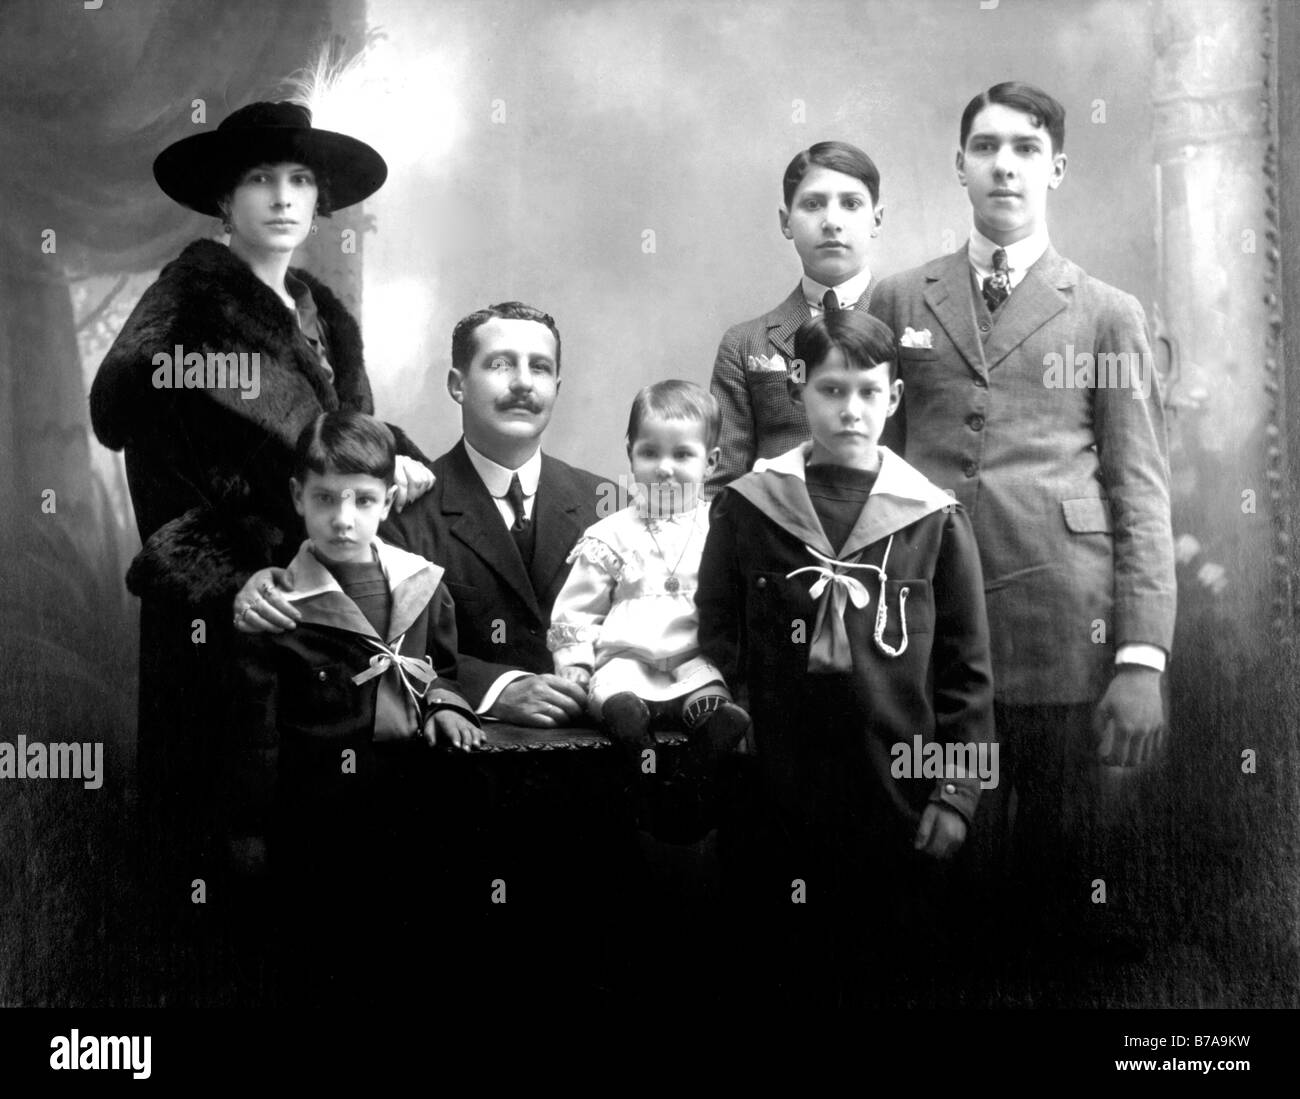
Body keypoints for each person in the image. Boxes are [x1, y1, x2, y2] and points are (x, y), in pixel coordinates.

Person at [88, 100, 435, 984]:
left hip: (321, 600)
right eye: (259, 180)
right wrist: (228, 578)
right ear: (222, 200)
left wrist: (396, 461)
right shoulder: (189, 312)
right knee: (222, 836)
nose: (283, 198)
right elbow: (158, 477)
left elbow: (341, 439)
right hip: (226, 616)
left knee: (323, 838)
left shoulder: (322, 311)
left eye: (300, 181)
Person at [867, 82, 1176, 957]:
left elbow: (1141, 490)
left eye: (1027, 147)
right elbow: (861, 475)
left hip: (1062, 639)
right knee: (935, 883)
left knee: (1054, 886)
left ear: (1057, 168)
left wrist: (1141, 657)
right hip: (927, 636)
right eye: (987, 146)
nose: (1006, 163)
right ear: (958, 164)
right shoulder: (897, 301)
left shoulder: (1107, 312)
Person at [697, 308, 994, 1002]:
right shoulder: (748, 508)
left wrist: (958, 793)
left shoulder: (932, 518)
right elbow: (718, 635)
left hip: (895, 793)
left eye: (867, 391)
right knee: (774, 970)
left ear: (893, 398)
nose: (850, 409)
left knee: (887, 971)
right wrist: (734, 740)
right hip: (773, 794)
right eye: (831, 390)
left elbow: (967, 669)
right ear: (799, 389)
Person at [227, 410, 477, 1003]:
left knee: (408, 956)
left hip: (410, 806)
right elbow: (255, 733)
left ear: (389, 501)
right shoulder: (279, 607)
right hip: (316, 822)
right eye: (326, 498)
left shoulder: (422, 584)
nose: (343, 519)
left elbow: (442, 669)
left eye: (363, 501)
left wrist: (445, 707)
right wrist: (250, 831)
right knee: (323, 961)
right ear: (298, 497)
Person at [547, 380, 751, 839]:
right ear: (629, 453)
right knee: (616, 697)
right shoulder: (612, 533)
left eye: (682, 455)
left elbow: (737, 603)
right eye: (649, 454)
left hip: (691, 659)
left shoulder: (721, 530)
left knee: (710, 696)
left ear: (711, 462)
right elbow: (577, 609)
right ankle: (643, 761)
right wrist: (575, 662)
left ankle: (695, 772)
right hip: (629, 659)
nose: (664, 469)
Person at [707, 141, 886, 494]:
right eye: (812, 204)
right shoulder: (745, 344)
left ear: (877, 219)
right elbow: (721, 481)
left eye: (850, 204)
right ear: (786, 221)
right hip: (775, 535)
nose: (832, 222)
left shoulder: (901, 321)